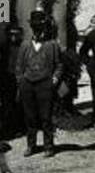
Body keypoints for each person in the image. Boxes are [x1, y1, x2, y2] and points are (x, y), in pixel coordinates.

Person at [17, 9, 63, 156]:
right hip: (28, 85)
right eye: (35, 26)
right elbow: (18, 66)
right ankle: (31, 146)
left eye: (40, 26)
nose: (37, 29)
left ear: (45, 27)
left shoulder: (52, 45)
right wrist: (21, 80)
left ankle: (48, 146)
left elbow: (59, 65)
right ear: (31, 28)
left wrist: (54, 80)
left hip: (45, 85)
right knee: (30, 117)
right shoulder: (25, 45)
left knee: (46, 117)